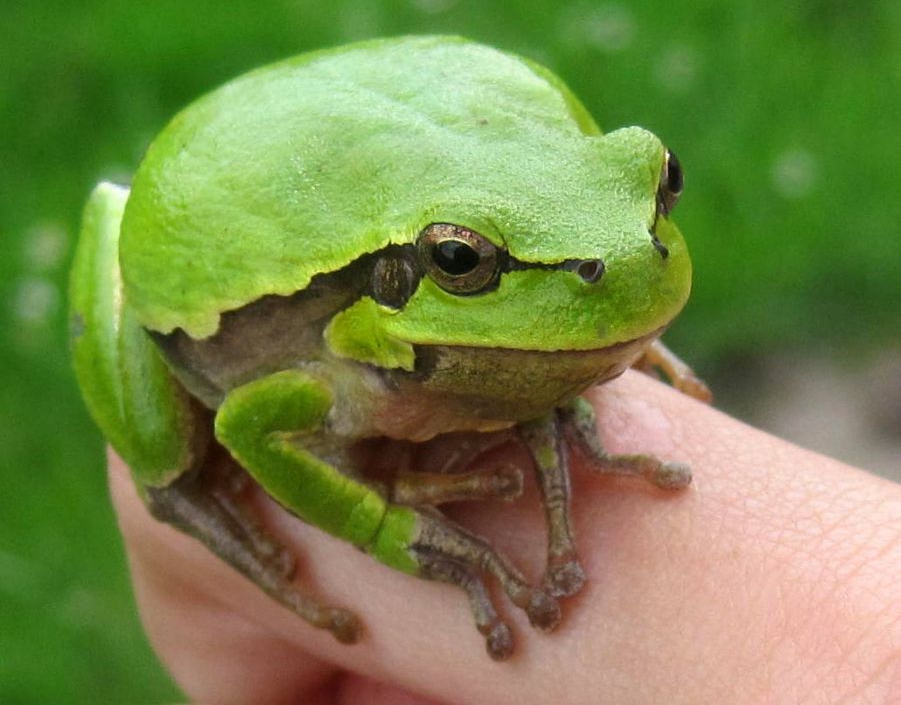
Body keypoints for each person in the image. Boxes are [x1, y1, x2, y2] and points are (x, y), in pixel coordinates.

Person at [109, 370, 901, 705]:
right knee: (166, 457)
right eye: (462, 260)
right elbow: (247, 423)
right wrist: (377, 521)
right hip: (233, 304)